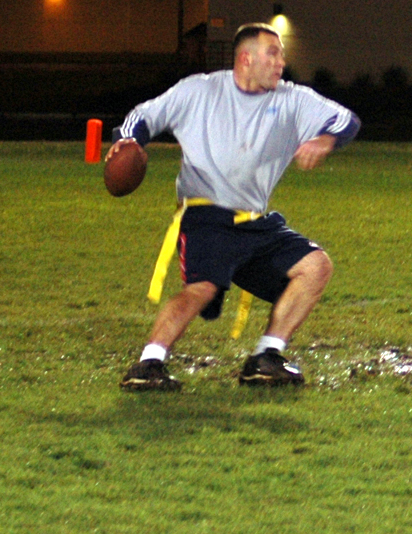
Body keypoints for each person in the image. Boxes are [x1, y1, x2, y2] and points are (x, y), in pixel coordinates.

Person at [113, 22, 360, 391]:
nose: (281, 62)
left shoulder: (290, 99)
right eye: (272, 53)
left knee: (315, 265)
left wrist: (325, 139)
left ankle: (266, 357)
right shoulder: (200, 90)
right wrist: (128, 142)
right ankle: (149, 363)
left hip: (256, 223)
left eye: (281, 54)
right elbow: (143, 117)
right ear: (246, 59)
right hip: (206, 215)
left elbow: (346, 120)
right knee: (202, 289)